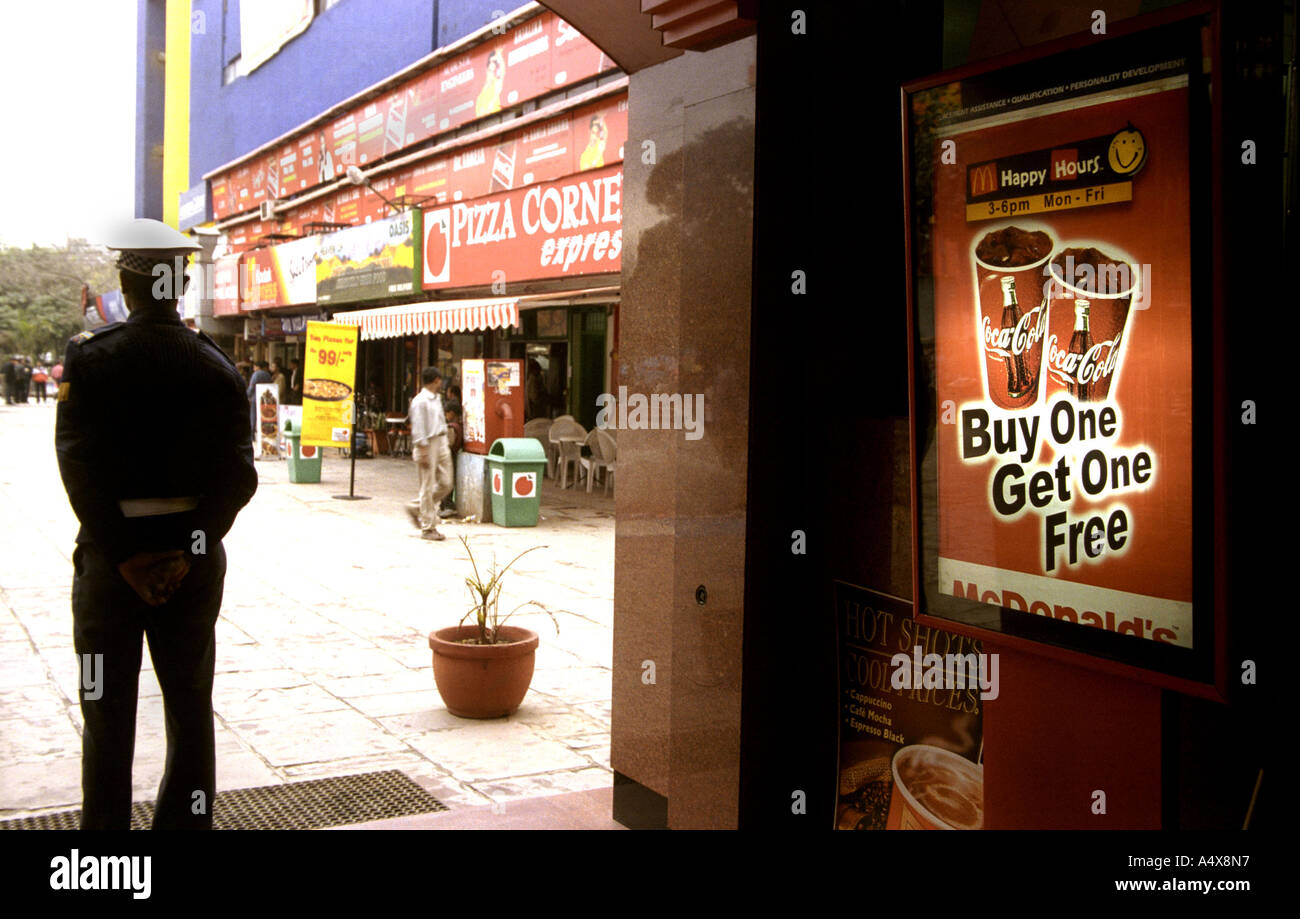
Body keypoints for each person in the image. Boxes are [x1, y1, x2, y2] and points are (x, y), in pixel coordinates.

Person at [55, 218, 258, 830]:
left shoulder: (89, 359)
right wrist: (186, 552)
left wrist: (123, 557)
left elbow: (78, 468)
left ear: (126, 282)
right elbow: (238, 478)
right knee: (190, 705)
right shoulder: (216, 367)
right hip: (189, 572)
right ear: (182, 283)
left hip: (108, 571)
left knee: (105, 710)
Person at [405, 367, 452, 540]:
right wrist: (422, 448)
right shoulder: (420, 401)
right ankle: (428, 526)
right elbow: (417, 426)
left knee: (447, 482)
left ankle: (416, 506)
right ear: (436, 380)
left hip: (441, 440)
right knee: (427, 484)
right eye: (439, 380)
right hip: (427, 443)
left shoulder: (437, 399)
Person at [440, 401, 463, 517]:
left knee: (446, 482)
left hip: (449, 457)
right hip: (451, 456)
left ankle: (448, 506)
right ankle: (444, 505)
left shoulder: (452, 427)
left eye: (447, 413)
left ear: (452, 413)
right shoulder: (459, 426)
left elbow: (448, 444)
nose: (445, 416)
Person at [246, 361, 271, 442]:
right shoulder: (267, 374)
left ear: (257, 366)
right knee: (265, 416)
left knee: (253, 416)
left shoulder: (256, 374)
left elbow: (251, 387)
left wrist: (247, 395)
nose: (254, 368)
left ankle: (252, 434)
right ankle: (266, 433)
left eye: (254, 367)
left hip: (255, 397)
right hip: (266, 398)